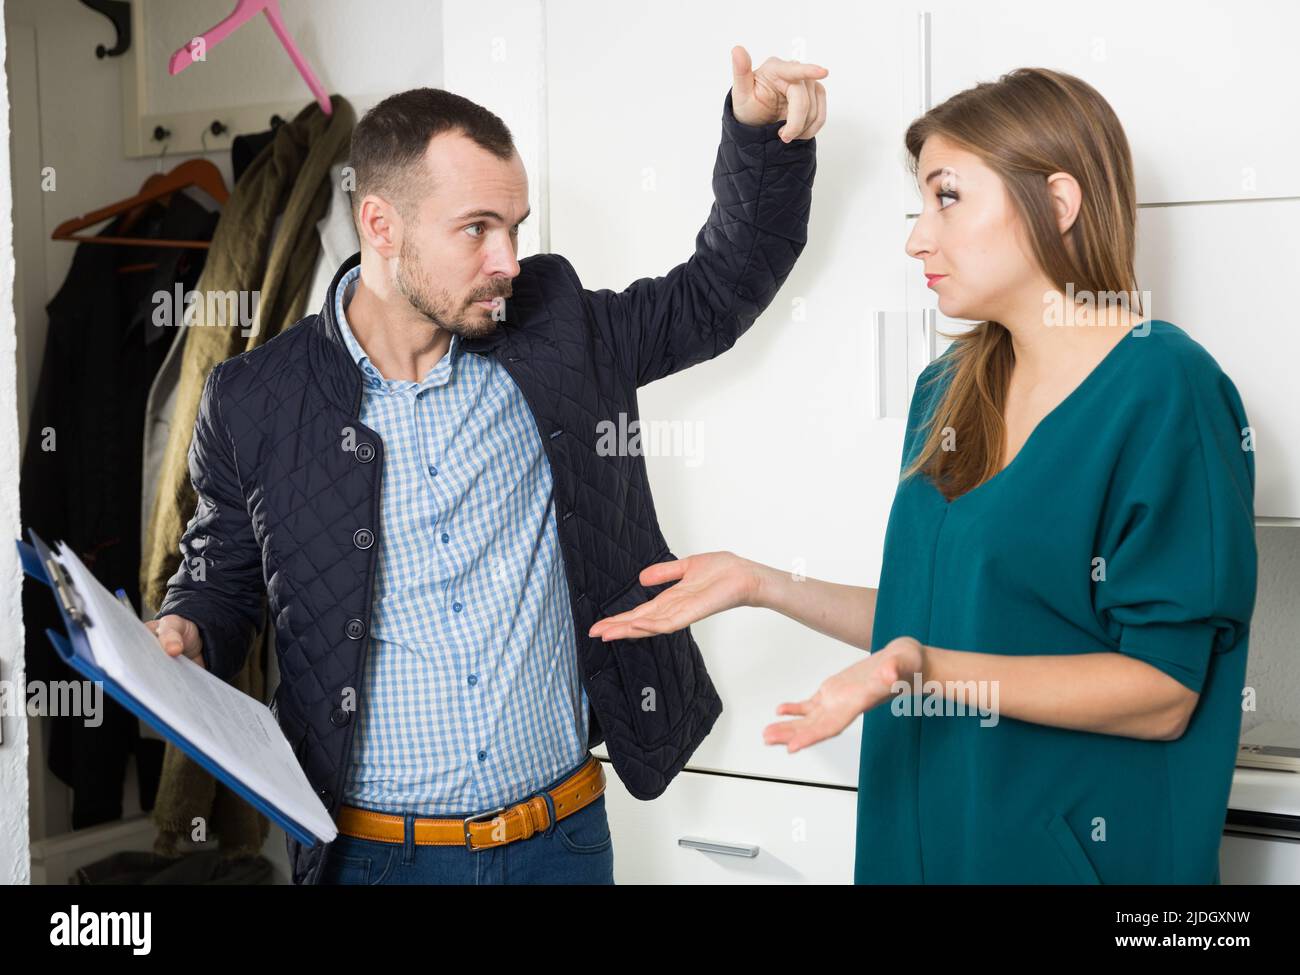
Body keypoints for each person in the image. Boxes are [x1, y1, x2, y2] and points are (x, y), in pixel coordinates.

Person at [144, 46, 826, 885]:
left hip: (561, 840)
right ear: (382, 225)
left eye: (515, 227)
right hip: (377, 860)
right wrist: (186, 628)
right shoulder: (254, 398)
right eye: (477, 228)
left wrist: (762, 138)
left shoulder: (560, 331)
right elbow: (220, 582)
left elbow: (719, 290)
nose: (508, 258)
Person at [588, 67, 1257, 884]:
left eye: (947, 197)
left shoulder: (1165, 391)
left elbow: (1162, 692)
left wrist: (926, 669)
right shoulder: (950, 389)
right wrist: (761, 583)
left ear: (1058, 201)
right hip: (921, 840)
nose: (916, 238)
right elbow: (928, 623)